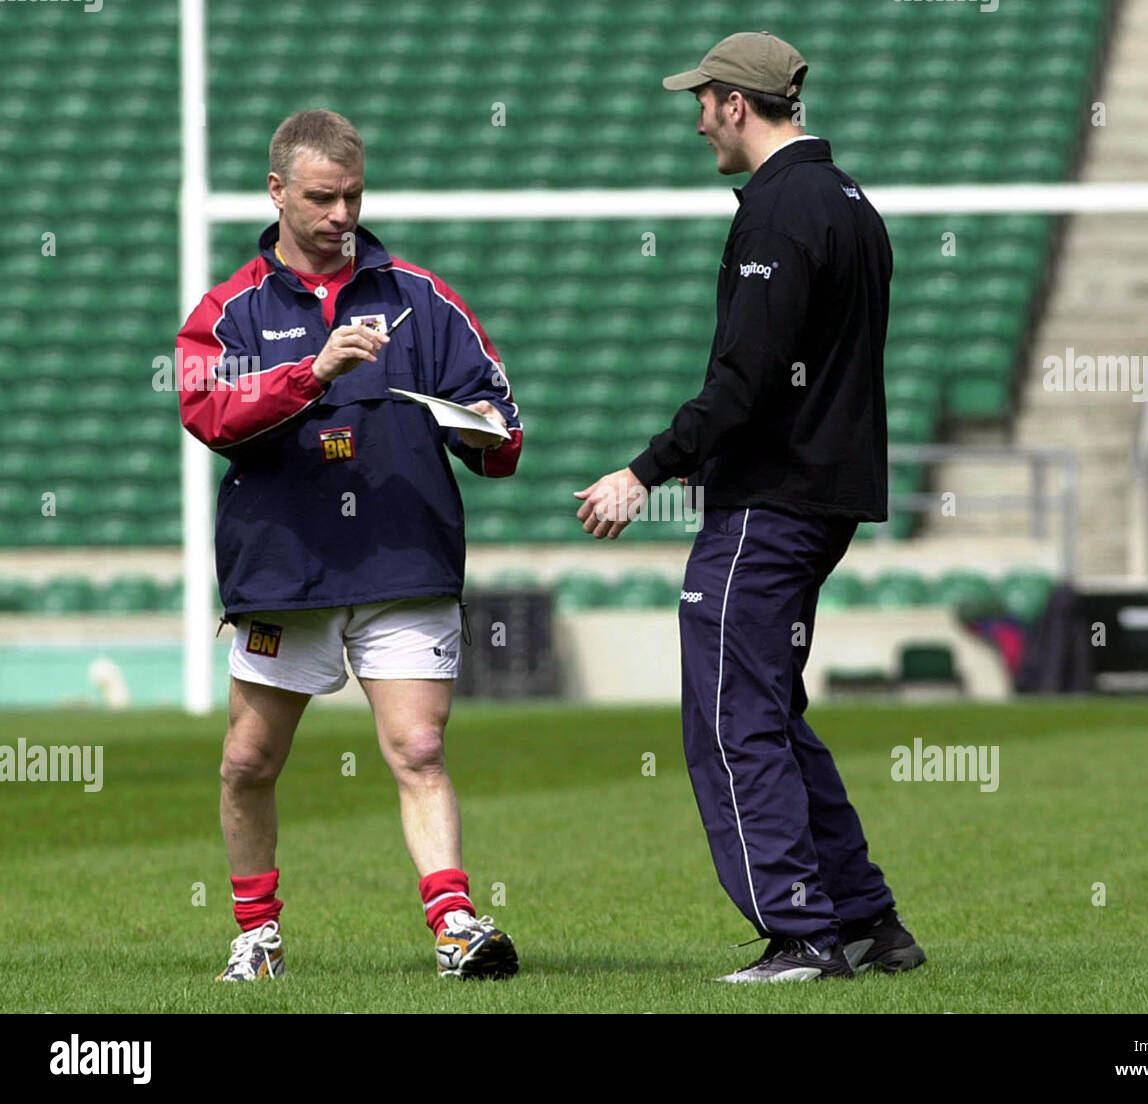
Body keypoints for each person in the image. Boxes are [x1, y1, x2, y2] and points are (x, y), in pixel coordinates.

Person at [575, 33, 926, 982]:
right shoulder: (852, 202)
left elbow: (744, 382)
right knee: (770, 708)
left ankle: (802, 934)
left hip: (772, 504)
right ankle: (866, 922)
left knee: (731, 717)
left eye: (703, 101)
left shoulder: (777, 212)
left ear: (738, 103)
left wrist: (644, 472)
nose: (696, 120)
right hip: (828, 498)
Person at [178, 109, 521, 982]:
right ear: (278, 191)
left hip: (402, 559)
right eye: (323, 198)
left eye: (353, 196)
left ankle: (455, 925)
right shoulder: (229, 310)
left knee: (420, 750)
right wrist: (313, 372)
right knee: (248, 762)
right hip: (284, 568)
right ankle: (257, 934)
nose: (341, 215)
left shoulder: (421, 296)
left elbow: (503, 428)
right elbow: (206, 412)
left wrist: (487, 433)